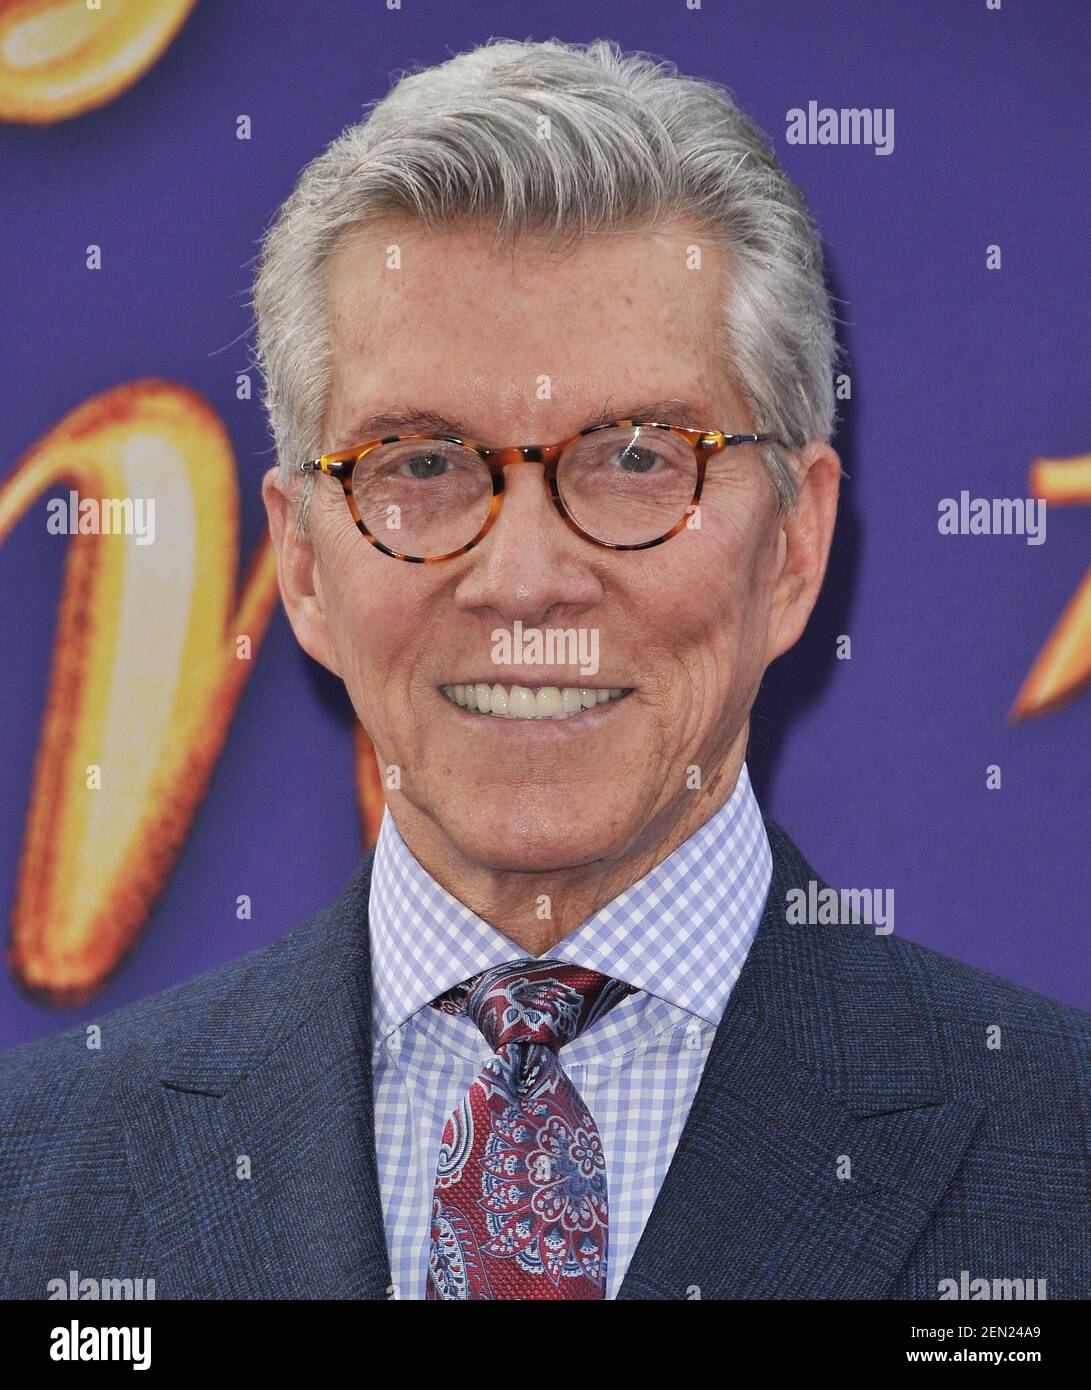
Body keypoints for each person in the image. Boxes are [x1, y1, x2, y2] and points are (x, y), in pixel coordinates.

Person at [2, 38, 1086, 1302]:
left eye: (635, 457)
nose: (523, 580)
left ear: (792, 547)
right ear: (299, 562)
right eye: (417, 463)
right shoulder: (32, 1182)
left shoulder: (1056, 1158)